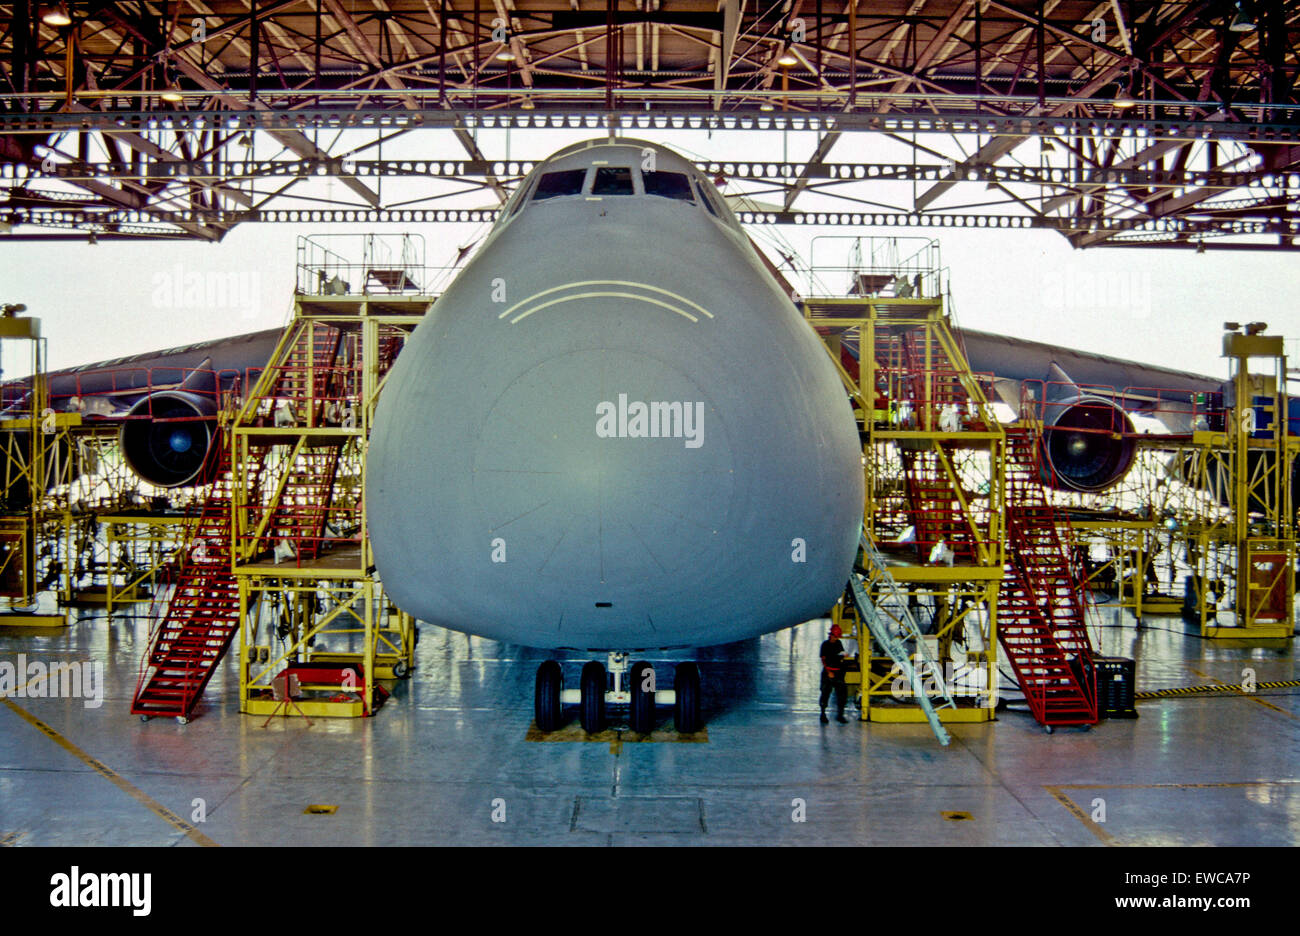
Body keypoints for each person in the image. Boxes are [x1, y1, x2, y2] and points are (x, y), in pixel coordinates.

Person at [819, 623, 849, 724]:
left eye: (837, 637)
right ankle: (823, 713)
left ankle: (840, 714)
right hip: (828, 672)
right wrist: (828, 671)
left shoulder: (838, 643)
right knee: (825, 693)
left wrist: (844, 656)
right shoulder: (825, 645)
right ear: (831, 635)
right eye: (835, 636)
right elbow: (823, 659)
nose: (836, 638)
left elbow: (841, 654)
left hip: (838, 672)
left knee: (842, 694)